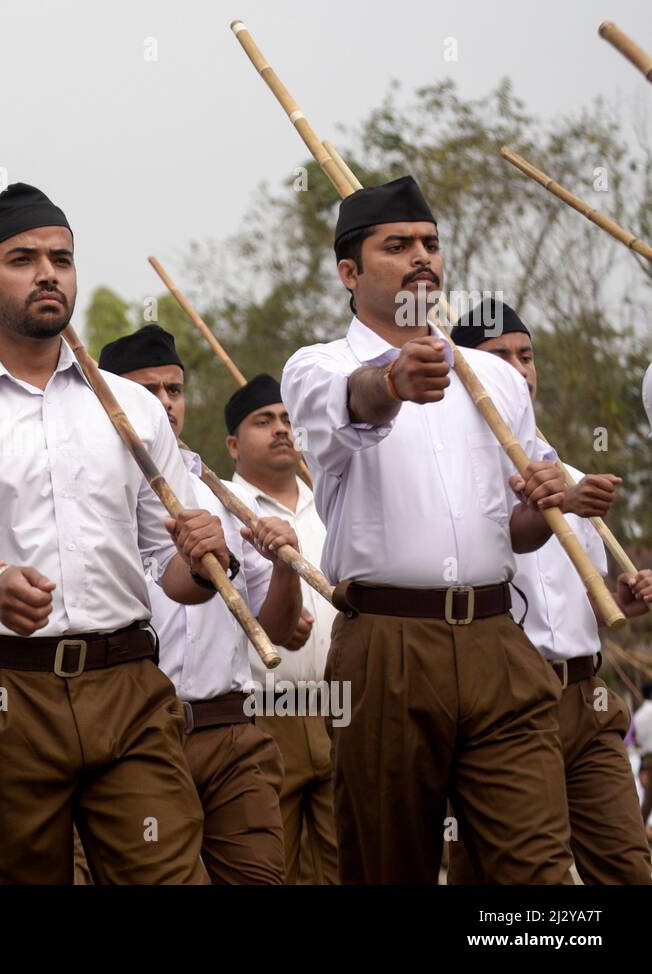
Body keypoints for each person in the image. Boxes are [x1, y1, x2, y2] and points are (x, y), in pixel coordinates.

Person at [0, 183, 225, 884]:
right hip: (1, 693)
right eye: (23, 258)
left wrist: (204, 557)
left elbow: (173, 571)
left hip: (128, 686)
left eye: (62, 258)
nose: (48, 273)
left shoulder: (132, 407)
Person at [281, 175, 574, 884]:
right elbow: (355, 403)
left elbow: (520, 530)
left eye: (431, 244)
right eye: (398, 245)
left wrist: (550, 500)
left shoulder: (493, 379)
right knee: (389, 863)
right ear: (349, 272)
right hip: (386, 645)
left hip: (498, 642)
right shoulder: (319, 367)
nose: (423, 258)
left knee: (537, 869)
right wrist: (392, 381)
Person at [448, 298, 652, 883]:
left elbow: (579, 602)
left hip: (588, 700)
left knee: (627, 869)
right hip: (506, 705)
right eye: (498, 357)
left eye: (526, 355)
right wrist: (553, 504)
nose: (520, 369)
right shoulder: (452, 480)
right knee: (512, 877)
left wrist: (620, 601)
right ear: (467, 373)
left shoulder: (572, 475)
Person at [99, 325, 302, 883]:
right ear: (109, 399)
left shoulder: (221, 495)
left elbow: (277, 632)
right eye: (148, 390)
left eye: (174, 389)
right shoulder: (88, 496)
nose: (165, 403)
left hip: (232, 732)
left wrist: (285, 567)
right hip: (137, 738)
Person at [224, 374, 340, 884]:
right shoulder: (225, 508)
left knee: (347, 863)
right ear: (233, 444)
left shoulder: (331, 503)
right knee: (274, 865)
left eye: (288, 419)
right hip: (264, 712)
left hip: (342, 708)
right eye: (263, 421)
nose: (280, 430)